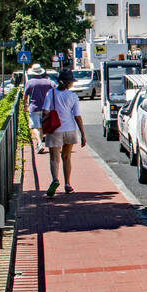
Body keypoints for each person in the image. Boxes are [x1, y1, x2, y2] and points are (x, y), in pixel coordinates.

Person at [44, 68, 86, 197]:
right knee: (67, 157)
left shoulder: (50, 94)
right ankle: (67, 184)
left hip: (54, 129)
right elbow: (77, 116)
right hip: (70, 129)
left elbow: (45, 112)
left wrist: (43, 127)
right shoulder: (72, 96)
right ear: (69, 83)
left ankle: (55, 179)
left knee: (54, 157)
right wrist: (83, 134)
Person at [24, 64, 54, 154]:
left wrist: (24, 106)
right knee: (42, 127)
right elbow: (56, 91)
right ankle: (39, 144)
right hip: (46, 108)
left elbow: (25, 96)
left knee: (35, 127)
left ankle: (39, 143)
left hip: (34, 107)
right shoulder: (48, 82)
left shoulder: (30, 82)